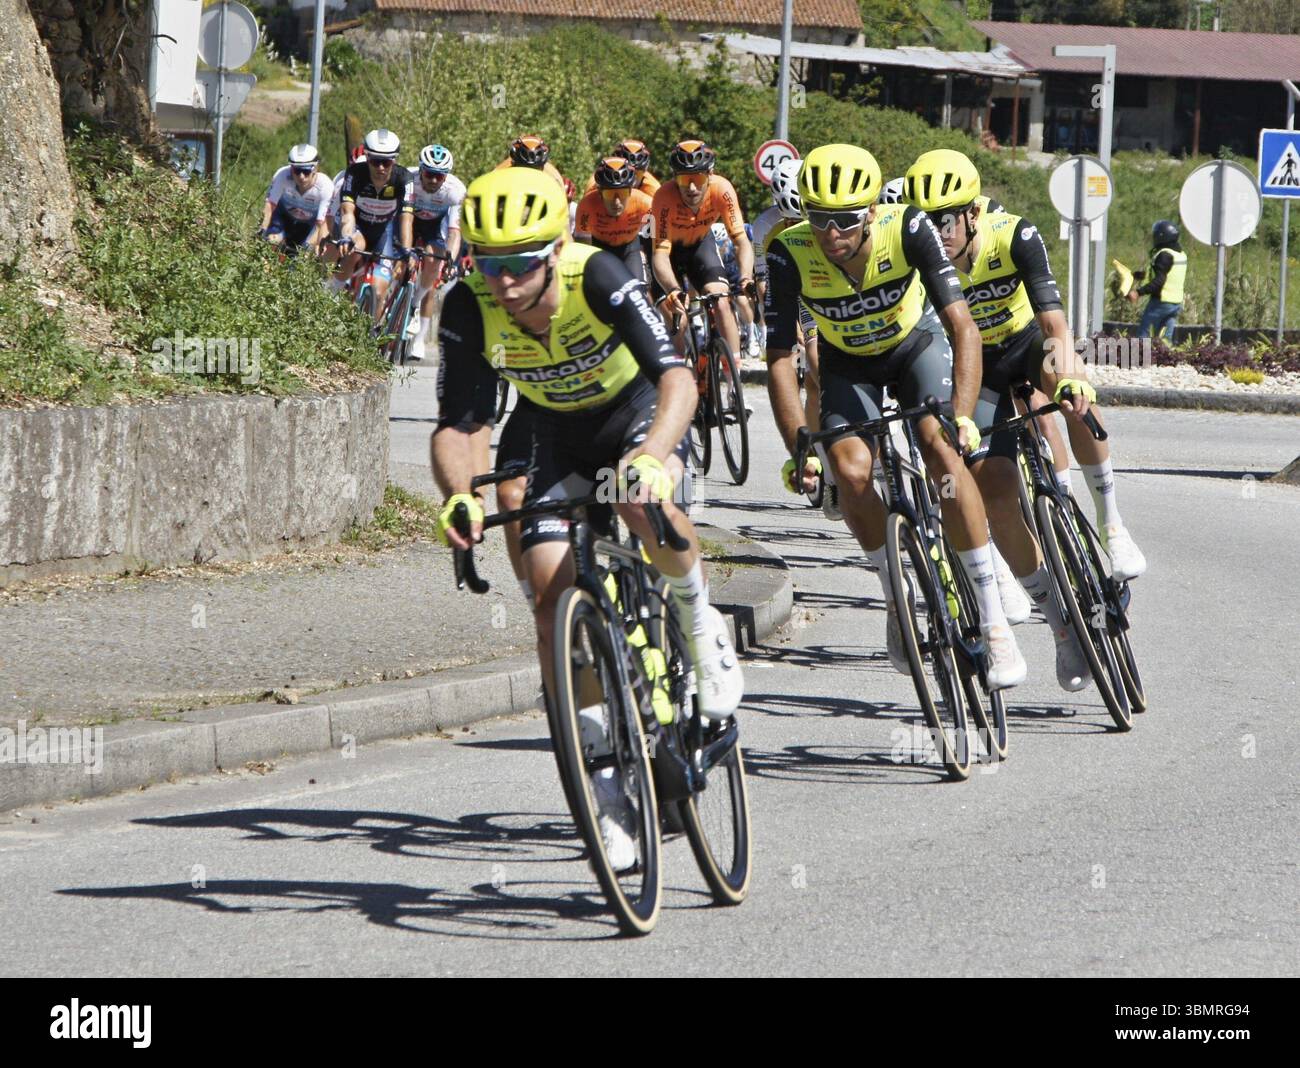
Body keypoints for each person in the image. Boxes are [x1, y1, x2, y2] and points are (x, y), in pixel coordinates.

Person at [432, 167, 744, 869]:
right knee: (551, 603)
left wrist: (657, 454)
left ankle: (701, 626)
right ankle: (607, 799)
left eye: (518, 265)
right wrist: (458, 495)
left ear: (551, 252)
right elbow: (461, 425)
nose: (504, 283)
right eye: (489, 263)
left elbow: (677, 378)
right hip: (551, 430)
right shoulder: (470, 305)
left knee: (638, 496)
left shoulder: (596, 275)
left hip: (634, 412)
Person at [764, 143, 1026, 690]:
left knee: (941, 450)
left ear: (871, 215)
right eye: (818, 219)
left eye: (844, 221)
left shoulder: (907, 228)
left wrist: (962, 416)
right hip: (847, 364)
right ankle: (895, 593)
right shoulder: (787, 252)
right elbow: (778, 360)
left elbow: (964, 328)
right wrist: (799, 449)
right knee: (851, 470)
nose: (830, 234)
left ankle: (994, 619)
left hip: (916, 347)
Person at [649, 139, 755, 367]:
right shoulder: (663, 198)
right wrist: (674, 290)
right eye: (684, 180)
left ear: (710, 174)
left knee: (723, 302)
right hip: (669, 255)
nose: (691, 188)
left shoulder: (722, 189)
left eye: (697, 179)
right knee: (679, 319)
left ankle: (732, 387)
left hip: (700, 246)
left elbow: (741, 241)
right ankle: (680, 378)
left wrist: (746, 277)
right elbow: (659, 254)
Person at [334, 129, 416, 320]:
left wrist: (406, 249)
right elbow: (347, 212)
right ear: (367, 157)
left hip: (384, 232)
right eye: (375, 161)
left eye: (386, 162)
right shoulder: (355, 174)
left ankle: (369, 338)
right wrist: (346, 236)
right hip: (360, 227)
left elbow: (406, 219)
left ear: (394, 160)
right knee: (355, 247)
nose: (380, 167)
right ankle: (331, 293)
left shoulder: (404, 179)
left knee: (379, 292)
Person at [407, 143, 465, 361]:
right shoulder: (408, 180)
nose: (433, 180)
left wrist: (449, 258)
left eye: (439, 177)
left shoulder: (456, 190)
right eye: (429, 174)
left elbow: (454, 232)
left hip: (435, 227)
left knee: (434, 261)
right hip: (408, 220)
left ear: (446, 177)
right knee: (398, 261)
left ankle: (418, 332)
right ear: (420, 170)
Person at [573, 156, 654, 284]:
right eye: (609, 194)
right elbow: (583, 248)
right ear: (599, 192)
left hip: (630, 249)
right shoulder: (586, 206)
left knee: (639, 289)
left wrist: (645, 254)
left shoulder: (644, 202)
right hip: (599, 249)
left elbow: (658, 239)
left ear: (631, 190)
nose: (616, 202)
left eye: (622, 194)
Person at [260, 144, 333, 254]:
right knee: (268, 244)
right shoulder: (282, 175)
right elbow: (270, 206)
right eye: (297, 171)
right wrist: (262, 229)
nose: (301, 176)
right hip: (283, 219)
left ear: (315, 168)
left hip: (309, 225)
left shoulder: (326, 186)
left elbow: (321, 224)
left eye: (306, 171)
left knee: (305, 252)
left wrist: (312, 246)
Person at [1127, 220, 1186, 341]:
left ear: (1161, 237)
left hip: (1161, 302)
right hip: (1175, 303)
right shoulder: (1179, 254)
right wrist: (1138, 275)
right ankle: (1164, 358)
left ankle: (1139, 357)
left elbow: (1159, 280)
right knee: (1165, 339)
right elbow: (1167, 273)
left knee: (1144, 334)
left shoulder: (1164, 255)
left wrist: (1138, 292)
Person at [495, 133, 568, 191]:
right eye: (522, 169)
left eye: (535, 170)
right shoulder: (501, 170)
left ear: (542, 166)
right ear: (513, 163)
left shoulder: (552, 174)